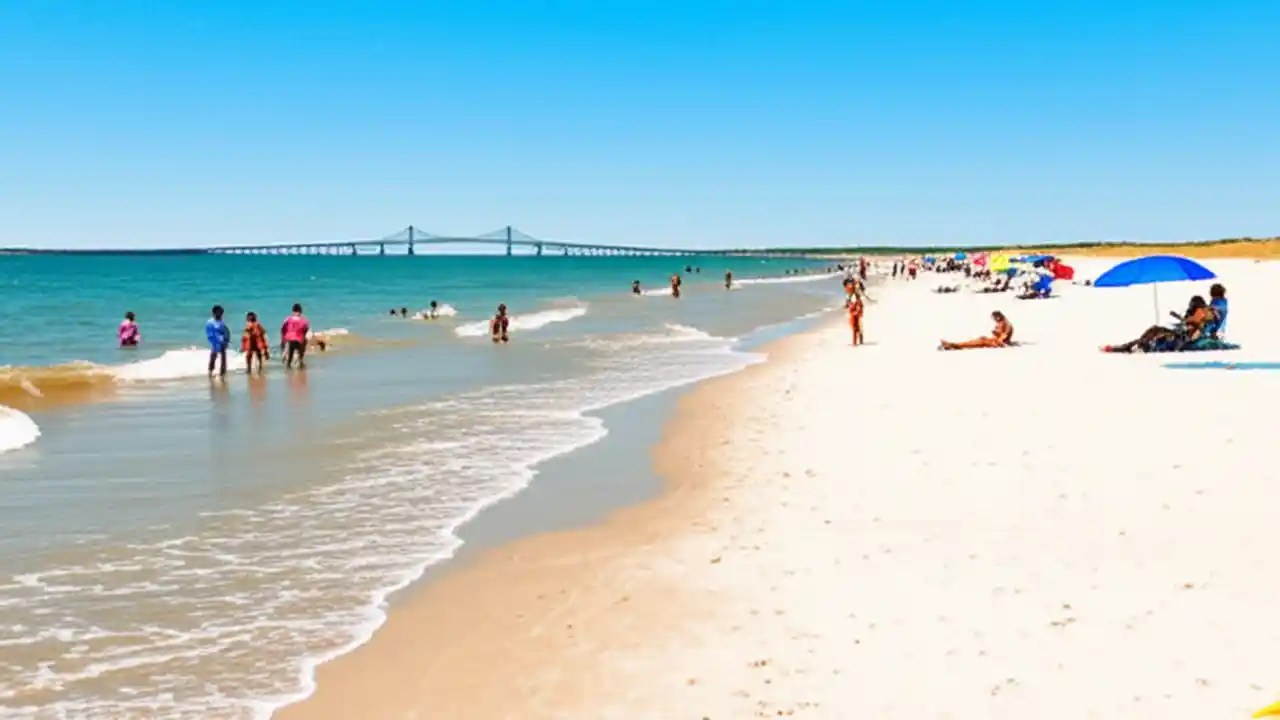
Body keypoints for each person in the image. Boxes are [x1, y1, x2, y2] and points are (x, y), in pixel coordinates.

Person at [1103, 296, 1209, 353]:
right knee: (1154, 331)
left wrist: (1183, 319)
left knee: (1156, 332)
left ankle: (1130, 347)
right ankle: (1128, 346)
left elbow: (1194, 322)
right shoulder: (1199, 312)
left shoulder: (1201, 311)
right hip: (1179, 333)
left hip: (1181, 337)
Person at [940, 311, 1014, 350]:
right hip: (995, 341)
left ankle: (955, 345)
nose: (994, 320)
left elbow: (1004, 336)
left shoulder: (1006, 324)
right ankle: (955, 345)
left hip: (997, 343)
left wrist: (997, 338)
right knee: (981, 339)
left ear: (998, 317)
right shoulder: (1002, 322)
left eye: (994, 318)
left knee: (981, 341)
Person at [281, 303, 311, 369]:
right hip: (299, 340)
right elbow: (306, 330)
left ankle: (288, 365)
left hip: (289, 339)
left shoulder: (287, 319)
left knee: (289, 358)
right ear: (300, 311)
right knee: (304, 344)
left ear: (293, 311)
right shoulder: (304, 321)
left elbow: (282, 329)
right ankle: (300, 361)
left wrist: (283, 340)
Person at [206, 305, 231, 376]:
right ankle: (210, 370)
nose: (221, 314)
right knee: (213, 356)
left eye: (221, 313)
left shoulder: (221, 322)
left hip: (222, 342)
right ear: (214, 313)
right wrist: (213, 340)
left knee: (223, 356)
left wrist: (226, 340)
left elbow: (226, 331)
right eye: (219, 313)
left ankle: (222, 372)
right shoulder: (210, 322)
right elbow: (209, 332)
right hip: (215, 342)